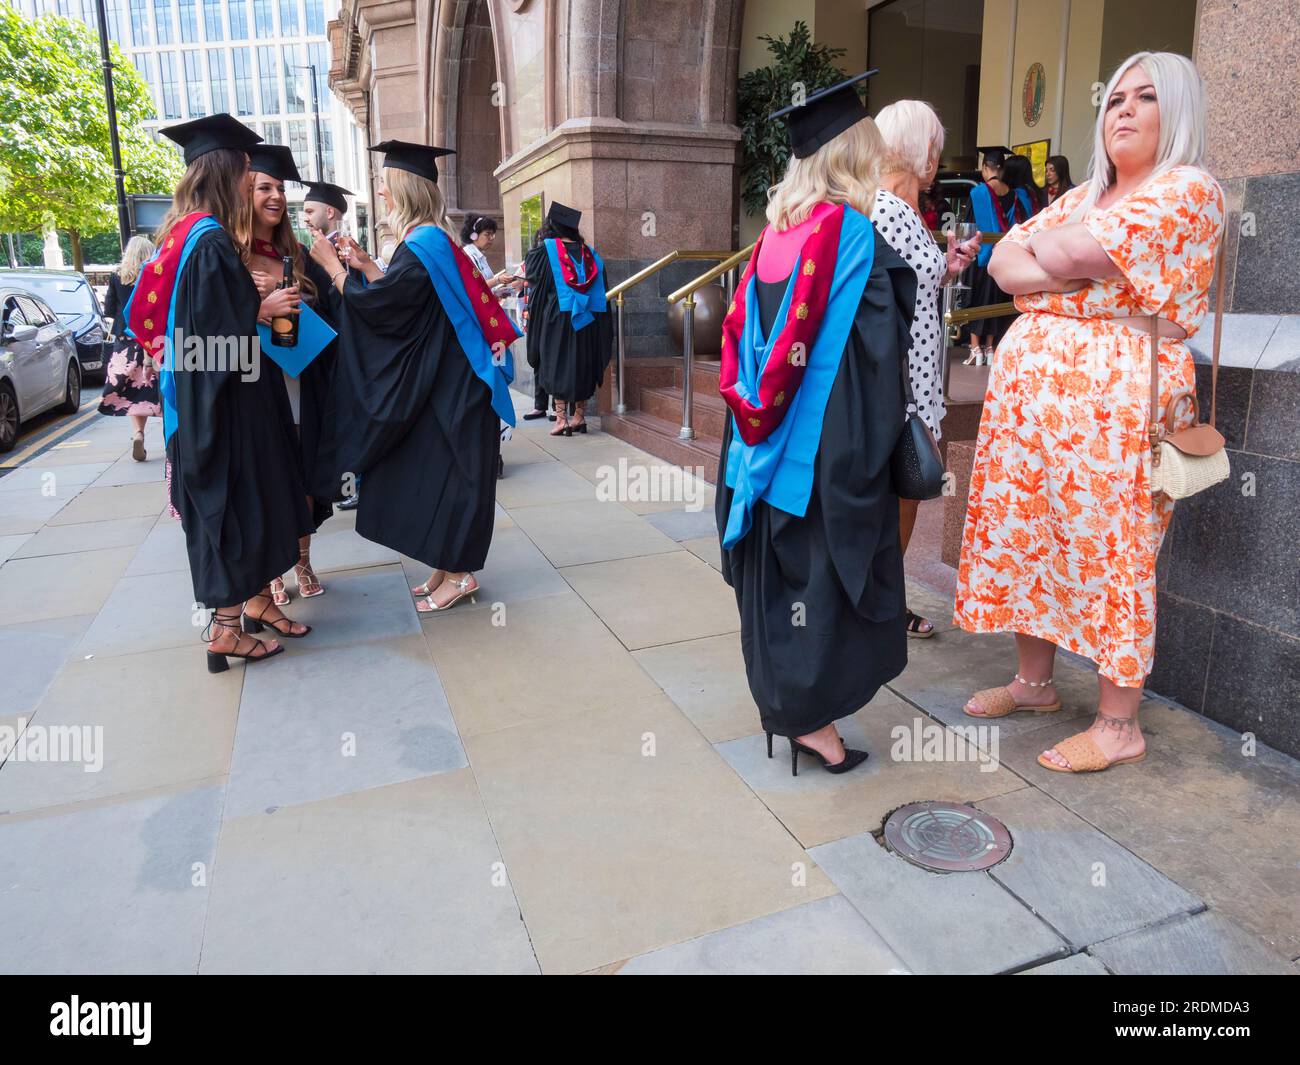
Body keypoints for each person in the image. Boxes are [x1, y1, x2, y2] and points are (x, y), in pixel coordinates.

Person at [954, 52, 1224, 774]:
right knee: (1028, 530)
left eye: (1145, 98)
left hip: (1120, 402)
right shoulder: (1086, 196)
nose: (1124, 110)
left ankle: (1117, 721)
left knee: (1115, 546)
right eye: (1114, 100)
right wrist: (1072, 265)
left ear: (1179, 112)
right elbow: (1005, 263)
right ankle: (1034, 683)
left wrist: (1055, 263)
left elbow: (1056, 251)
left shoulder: (1188, 190)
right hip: (1034, 406)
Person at [715, 71, 917, 776]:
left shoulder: (778, 232)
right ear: (854, 155)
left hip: (758, 439)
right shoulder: (852, 231)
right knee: (826, 587)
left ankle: (791, 711)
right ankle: (811, 721)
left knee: (782, 581)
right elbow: (873, 351)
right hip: (822, 445)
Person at [134, 114, 313, 673]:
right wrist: (258, 311)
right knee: (237, 508)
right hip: (229, 409)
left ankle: (243, 613)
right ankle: (226, 631)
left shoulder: (184, 234)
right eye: (244, 170)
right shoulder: (210, 242)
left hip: (209, 402)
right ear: (226, 174)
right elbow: (210, 345)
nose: (249, 180)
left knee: (238, 509)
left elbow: (183, 336)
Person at [308, 140, 518, 614]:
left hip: (454, 386)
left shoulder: (424, 243)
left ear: (404, 190)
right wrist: (366, 266)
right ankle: (445, 564)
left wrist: (333, 270)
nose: (381, 193)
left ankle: (461, 574)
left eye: (384, 186)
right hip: (446, 380)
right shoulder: (430, 240)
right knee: (437, 472)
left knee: (456, 476)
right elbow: (410, 301)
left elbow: (383, 309)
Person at [873, 100, 980, 639]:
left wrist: (949, 265)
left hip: (914, 374)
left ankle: (885, 599)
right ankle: (881, 604)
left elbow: (913, 281)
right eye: (933, 145)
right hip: (900, 380)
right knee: (905, 489)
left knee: (909, 489)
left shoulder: (906, 210)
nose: (937, 156)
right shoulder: (885, 210)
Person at [237, 143, 337, 605]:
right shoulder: (227, 251)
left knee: (301, 473)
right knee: (268, 475)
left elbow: (328, 319)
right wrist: (258, 307)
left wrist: (288, 299)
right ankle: (272, 569)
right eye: (264, 187)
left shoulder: (298, 253)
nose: (275, 196)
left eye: (279, 188)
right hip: (250, 383)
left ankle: (302, 559)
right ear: (244, 191)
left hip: (298, 380)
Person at [524, 202, 612, 436]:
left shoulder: (546, 250)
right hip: (588, 318)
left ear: (552, 226)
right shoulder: (591, 253)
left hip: (557, 318)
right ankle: (579, 417)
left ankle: (561, 419)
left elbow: (532, 277)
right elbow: (602, 286)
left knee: (555, 364)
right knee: (583, 364)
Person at [964, 145, 1034, 365]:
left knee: (977, 300)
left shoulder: (978, 192)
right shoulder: (1014, 195)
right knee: (995, 299)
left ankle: (975, 349)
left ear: (986, 168)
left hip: (981, 256)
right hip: (1002, 255)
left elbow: (969, 224)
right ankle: (990, 347)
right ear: (1002, 169)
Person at [98, 234, 159, 459]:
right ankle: (169, 439)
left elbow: (109, 309)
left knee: (132, 392)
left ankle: (138, 434)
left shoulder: (117, 276)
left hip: (124, 340)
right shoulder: (155, 273)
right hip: (150, 338)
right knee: (153, 388)